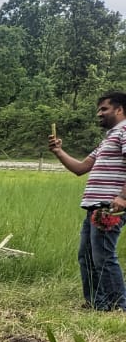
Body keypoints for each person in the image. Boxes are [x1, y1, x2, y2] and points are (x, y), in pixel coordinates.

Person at [49, 92, 126, 312]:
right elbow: (80, 168)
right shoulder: (107, 139)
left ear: (119, 109)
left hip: (110, 207)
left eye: (104, 109)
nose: (99, 113)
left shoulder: (124, 132)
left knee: (103, 257)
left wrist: (123, 197)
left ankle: (119, 307)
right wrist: (58, 151)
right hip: (94, 207)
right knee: (87, 256)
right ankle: (96, 304)